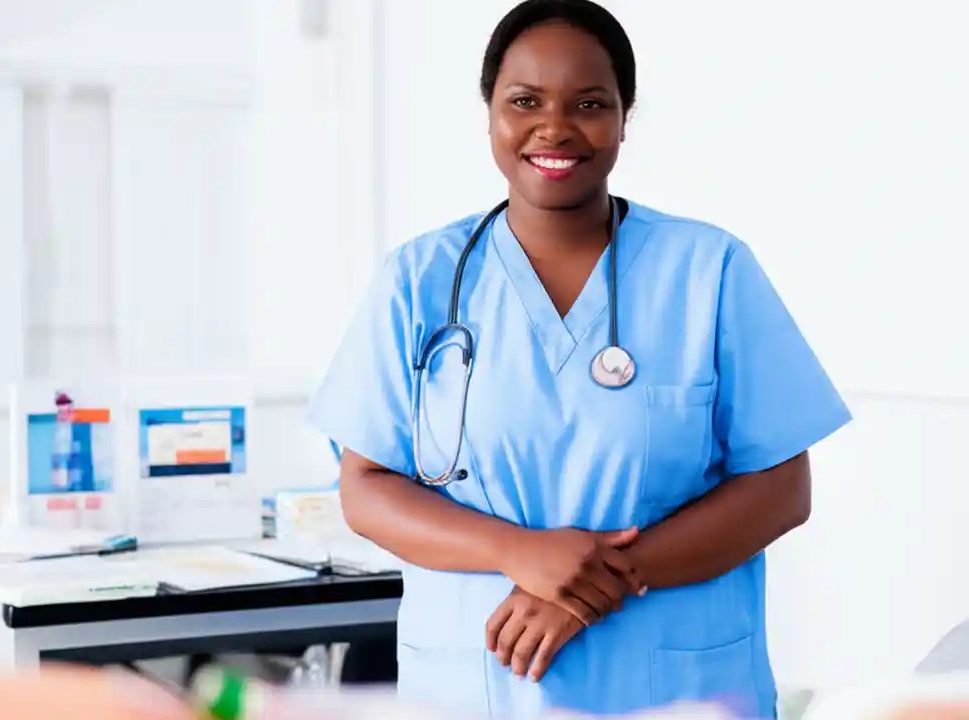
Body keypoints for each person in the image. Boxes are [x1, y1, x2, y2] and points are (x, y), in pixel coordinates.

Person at [306, 0, 851, 717]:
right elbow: (367, 488)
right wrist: (516, 553)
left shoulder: (708, 270)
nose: (555, 127)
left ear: (626, 117)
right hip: (480, 685)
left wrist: (598, 583)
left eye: (589, 103)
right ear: (490, 115)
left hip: (672, 684)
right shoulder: (420, 279)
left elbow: (782, 489)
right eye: (525, 101)